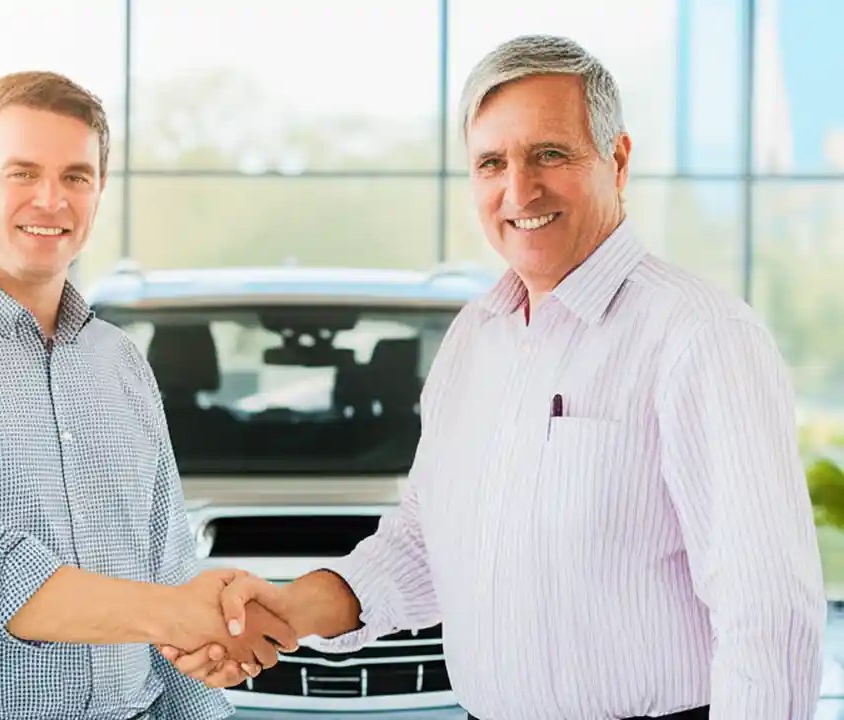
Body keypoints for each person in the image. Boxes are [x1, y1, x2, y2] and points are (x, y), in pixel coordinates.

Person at [165, 35, 827, 719]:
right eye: (491, 163)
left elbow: (767, 610)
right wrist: (285, 609)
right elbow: (423, 546)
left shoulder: (700, 335)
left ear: (618, 160)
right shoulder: (474, 340)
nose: (519, 190)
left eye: (550, 154)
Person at [0, 71, 293, 720]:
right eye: (22, 173)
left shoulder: (122, 362)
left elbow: (167, 561)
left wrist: (199, 678)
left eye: (76, 177)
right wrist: (177, 613)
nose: (51, 199)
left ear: (99, 192)